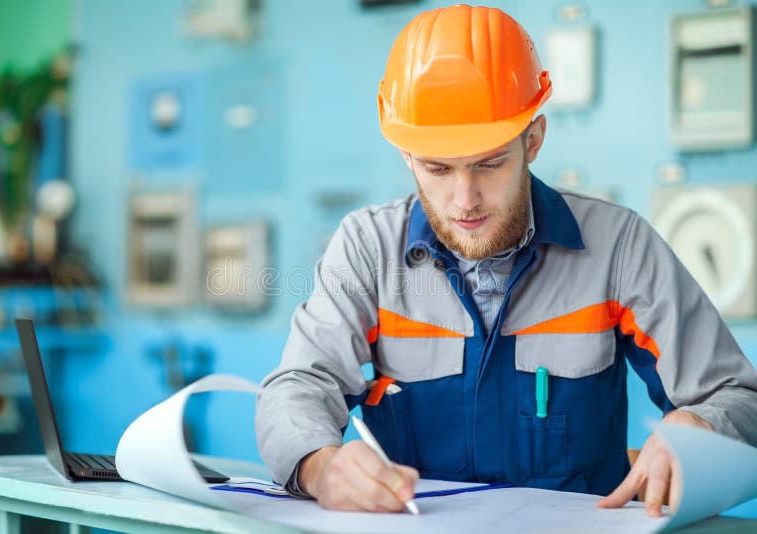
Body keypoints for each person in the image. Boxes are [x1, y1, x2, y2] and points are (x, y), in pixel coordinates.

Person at [255, 4, 757, 517]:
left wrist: (701, 429)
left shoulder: (620, 248)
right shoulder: (366, 249)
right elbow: (299, 384)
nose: (464, 199)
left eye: (490, 164)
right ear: (406, 155)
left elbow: (740, 397)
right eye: (437, 168)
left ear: (532, 141)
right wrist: (321, 468)